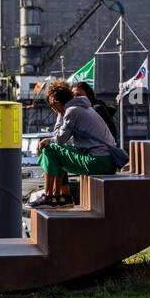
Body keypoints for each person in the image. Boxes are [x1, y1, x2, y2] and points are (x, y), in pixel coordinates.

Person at [32, 79, 121, 208]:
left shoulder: (71, 111)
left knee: (50, 149)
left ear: (56, 102)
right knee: (58, 150)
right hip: (106, 161)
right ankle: (62, 196)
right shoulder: (83, 107)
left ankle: (49, 196)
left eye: (52, 106)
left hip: (98, 162)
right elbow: (65, 141)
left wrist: (59, 114)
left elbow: (60, 139)